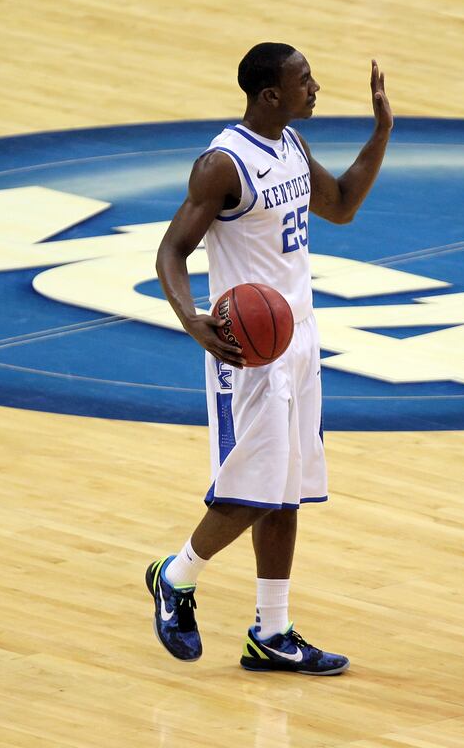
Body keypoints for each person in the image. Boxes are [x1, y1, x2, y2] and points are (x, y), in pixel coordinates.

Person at [147, 42, 393, 675]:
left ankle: (272, 632)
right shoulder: (222, 165)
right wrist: (190, 319)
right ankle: (175, 576)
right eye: (304, 81)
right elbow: (171, 252)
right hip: (248, 349)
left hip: (300, 335)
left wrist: (382, 131)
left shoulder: (290, 146)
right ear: (269, 95)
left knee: (286, 494)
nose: (316, 88)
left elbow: (339, 205)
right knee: (252, 491)